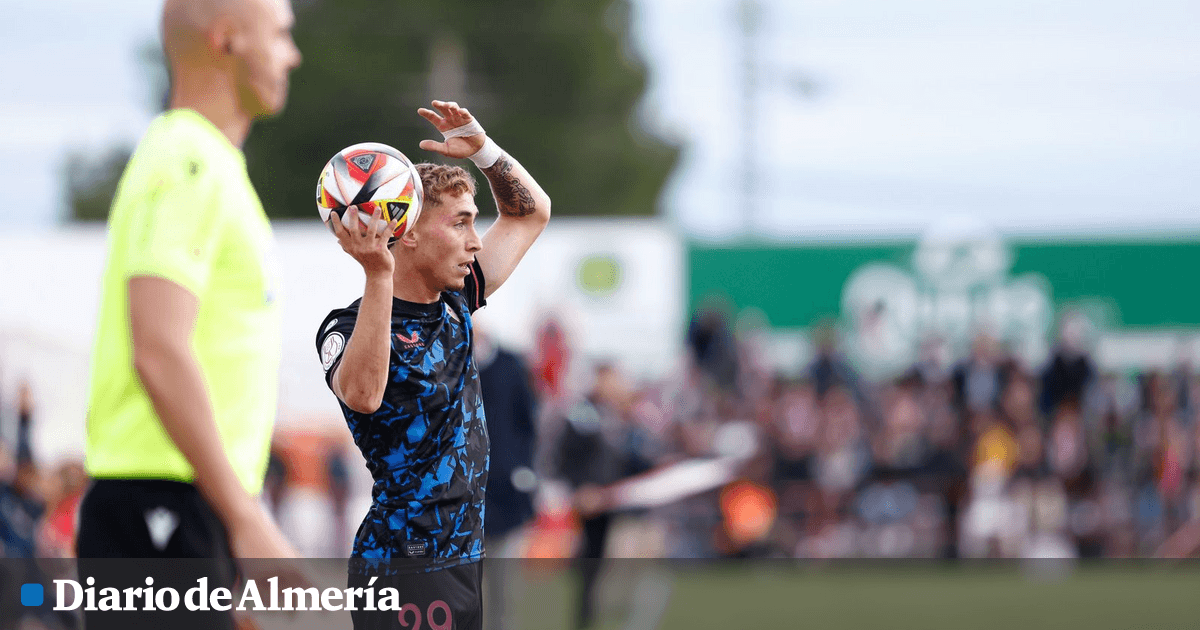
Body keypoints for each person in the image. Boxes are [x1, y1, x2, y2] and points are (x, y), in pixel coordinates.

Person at [76, 0, 304, 627]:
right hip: (161, 501)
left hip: (186, 506)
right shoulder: (188, 160)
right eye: (281, 36)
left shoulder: (209, 165)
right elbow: (159, 346)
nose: (293, 55)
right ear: (228, 39)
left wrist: (231, 524)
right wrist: (246, 521)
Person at [315, 100, 551, 630]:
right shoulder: (343, 328)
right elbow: (363, 394)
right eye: (461, 223)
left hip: (463, 563)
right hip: (404, 569)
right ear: (410, 232)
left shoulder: (456, 303)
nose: (475, 241)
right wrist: (379, 275)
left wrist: (485, 151)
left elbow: (530, 213)